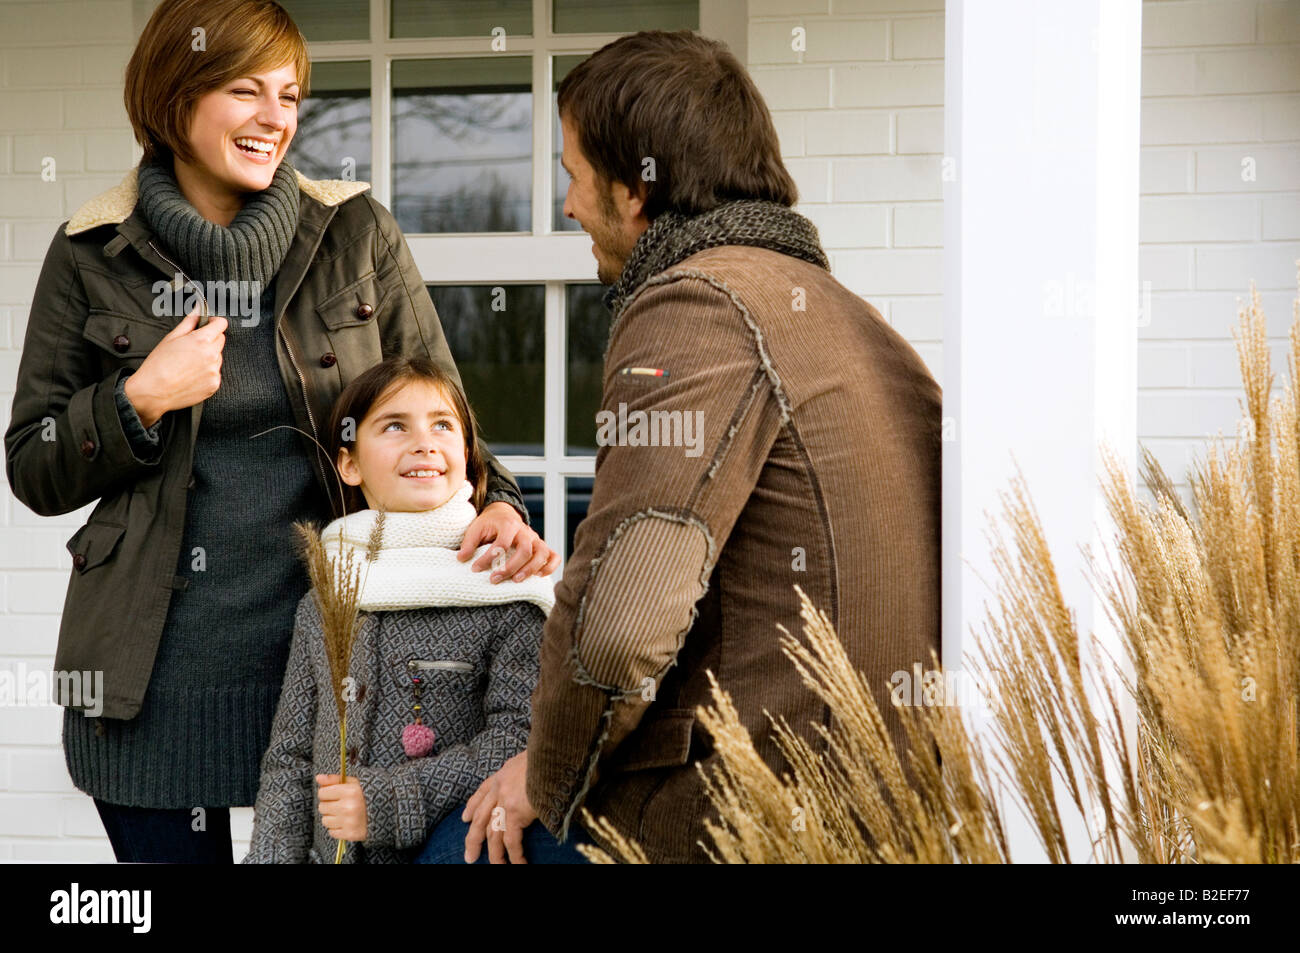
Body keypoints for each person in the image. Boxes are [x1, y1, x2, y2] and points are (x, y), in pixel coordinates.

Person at [3, 0, 557, 864]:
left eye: (290, 96)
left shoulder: (353, 232)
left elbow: (445, 414)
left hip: (349, 663)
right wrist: (136, 400)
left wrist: (504, 509)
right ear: (173, 93)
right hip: (157, 683)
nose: (275, 118)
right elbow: (32, 464)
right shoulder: (90, 251)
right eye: (244, 90)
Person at [461, 30, 943, 864]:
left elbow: (617, 628)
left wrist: (545, 774)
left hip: (740, 816)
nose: (568, 206)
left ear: (635, 190)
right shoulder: (863, 325)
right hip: (880, 813)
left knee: (445, 838)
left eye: (572, 176)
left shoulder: (697, 305)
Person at [244, 357, 582, 864]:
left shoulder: (504, 583)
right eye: (395, 426)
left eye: (442, 425)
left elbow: (521, 742)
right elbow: (290, 760)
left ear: (466, 456)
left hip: (456, 850)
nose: (424, 442)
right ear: (350, 464)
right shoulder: (330, 592)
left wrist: (385, 802)